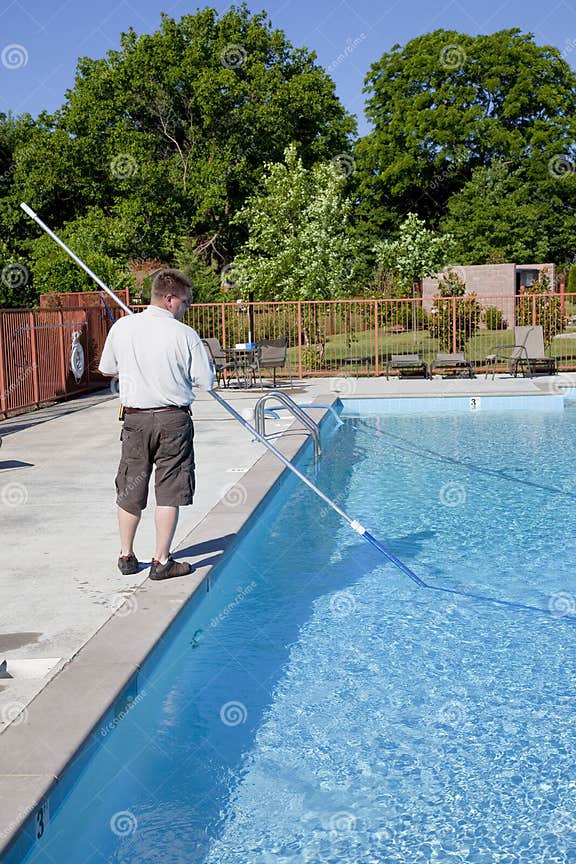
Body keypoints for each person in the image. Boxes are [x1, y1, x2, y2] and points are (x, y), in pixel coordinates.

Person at [98, 269, 215, 580]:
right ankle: (161, 561)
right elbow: (206, 381)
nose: (187, 308)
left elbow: (107, 368)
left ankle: (126, 555)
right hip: (172, 420)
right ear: (169, 299)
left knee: (130, 485)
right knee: (170, 489)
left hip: (135, 420)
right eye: (185, 302)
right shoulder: (185, 335)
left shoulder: (123, 327)